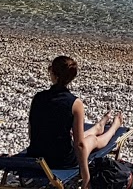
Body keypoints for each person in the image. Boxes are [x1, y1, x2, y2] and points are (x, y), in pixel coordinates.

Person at [28, 55, 125, 189]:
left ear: (51, 72)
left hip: (37, 156)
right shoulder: (75, 103)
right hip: (62, 160)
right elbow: (79, 145)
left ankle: (98, 127)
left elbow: (32, 132)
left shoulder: (38, 98)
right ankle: (113, 128)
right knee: (91, 140)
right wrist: (86, 176)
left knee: (73, 137)